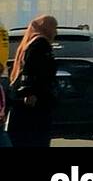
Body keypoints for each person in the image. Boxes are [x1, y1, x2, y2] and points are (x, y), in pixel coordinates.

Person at [7, 16, 58, 148]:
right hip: (36, 100)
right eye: (54, 28)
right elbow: (30, 67)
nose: (55, 32)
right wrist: (29, 92)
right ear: (46, 28)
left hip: (29, 99)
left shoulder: (32, 42)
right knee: (36, 137)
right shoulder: (40, 43)